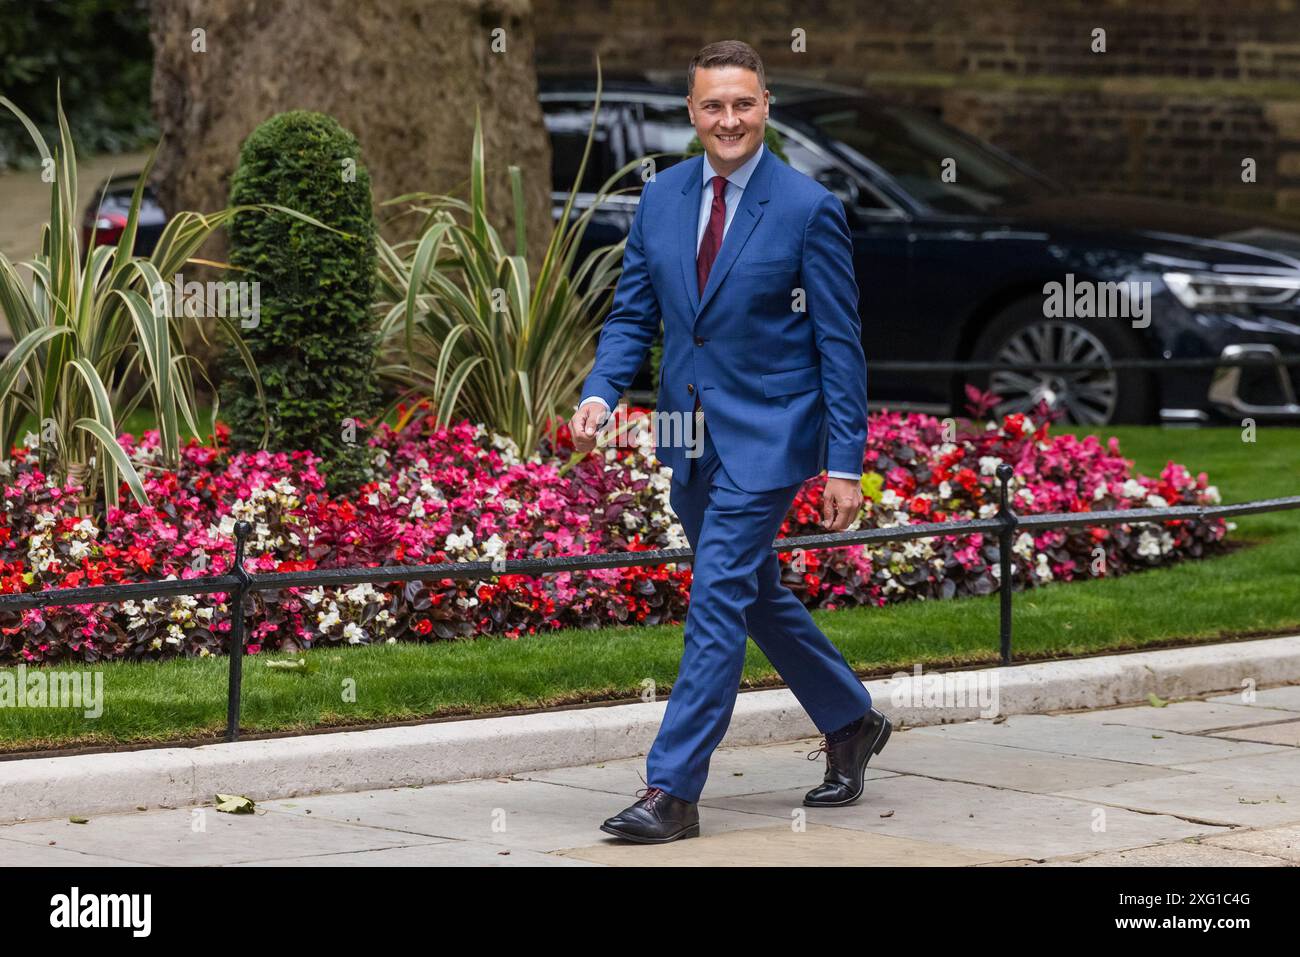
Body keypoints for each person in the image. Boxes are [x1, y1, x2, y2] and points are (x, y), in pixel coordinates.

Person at [568, 40, 891, 844]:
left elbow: (840, 345)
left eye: (743, 103)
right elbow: (635, 314)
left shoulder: (807, 208)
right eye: (713, 105)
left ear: (766, 105)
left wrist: (844, 460)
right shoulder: (662, 198)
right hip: (688, 435)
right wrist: (602, 390)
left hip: (769, 438)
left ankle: (671, 790)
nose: (729, 119)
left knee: (716, 597)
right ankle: (851, 718)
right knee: (751, 592)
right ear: (692, 112)